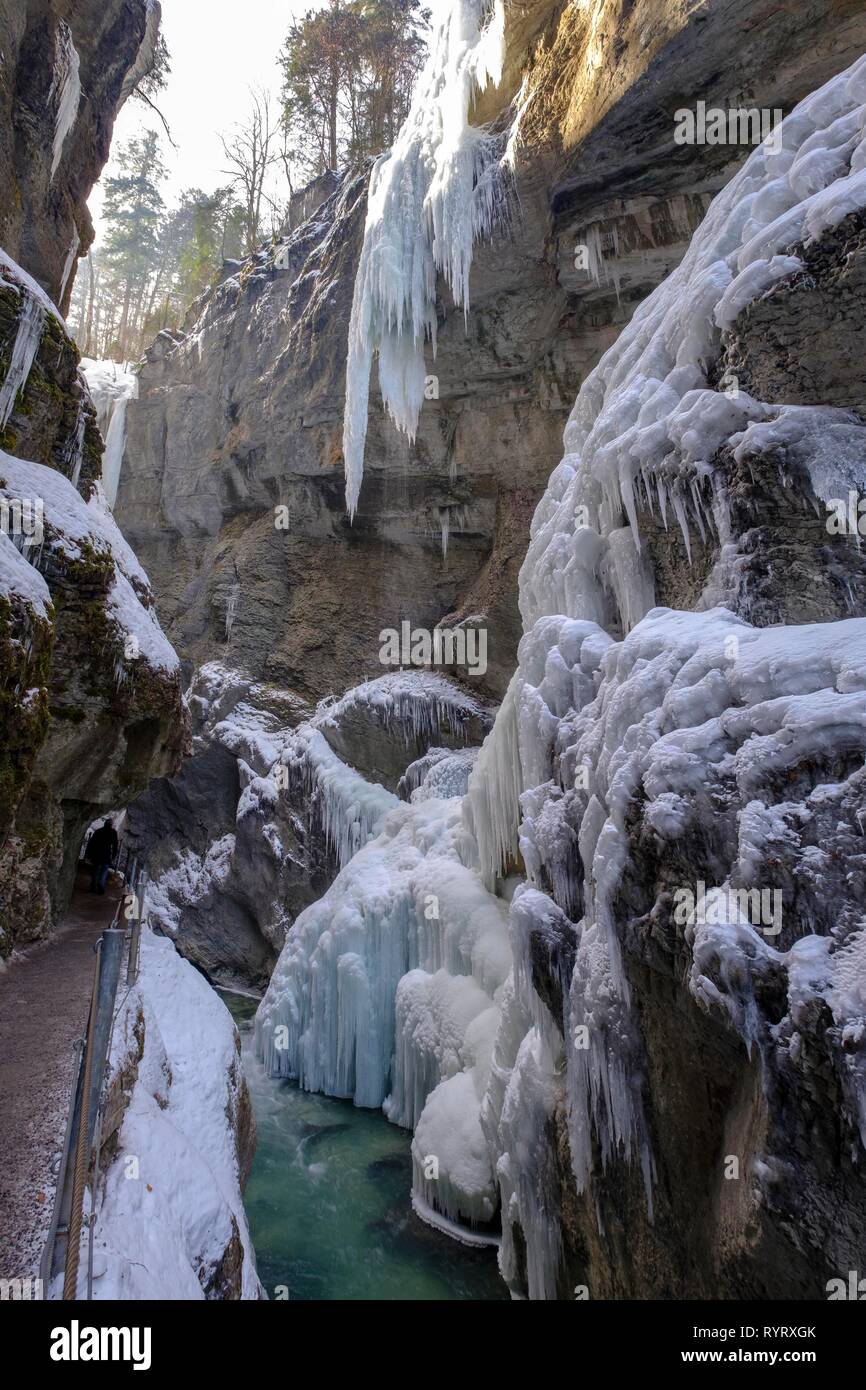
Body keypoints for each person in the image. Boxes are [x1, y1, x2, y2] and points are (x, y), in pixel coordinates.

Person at [86, 818, 118, 894]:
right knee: (104, 872)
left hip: (96, 854)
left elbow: (91, 843)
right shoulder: (113, 832)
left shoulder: (98, 831)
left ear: (105, 824)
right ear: (111, 825)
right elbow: (115, 846)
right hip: (106, 855)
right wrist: (113, 856)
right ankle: (100, 887)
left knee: (95, 871)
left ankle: (93, 887)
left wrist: (89, 854)